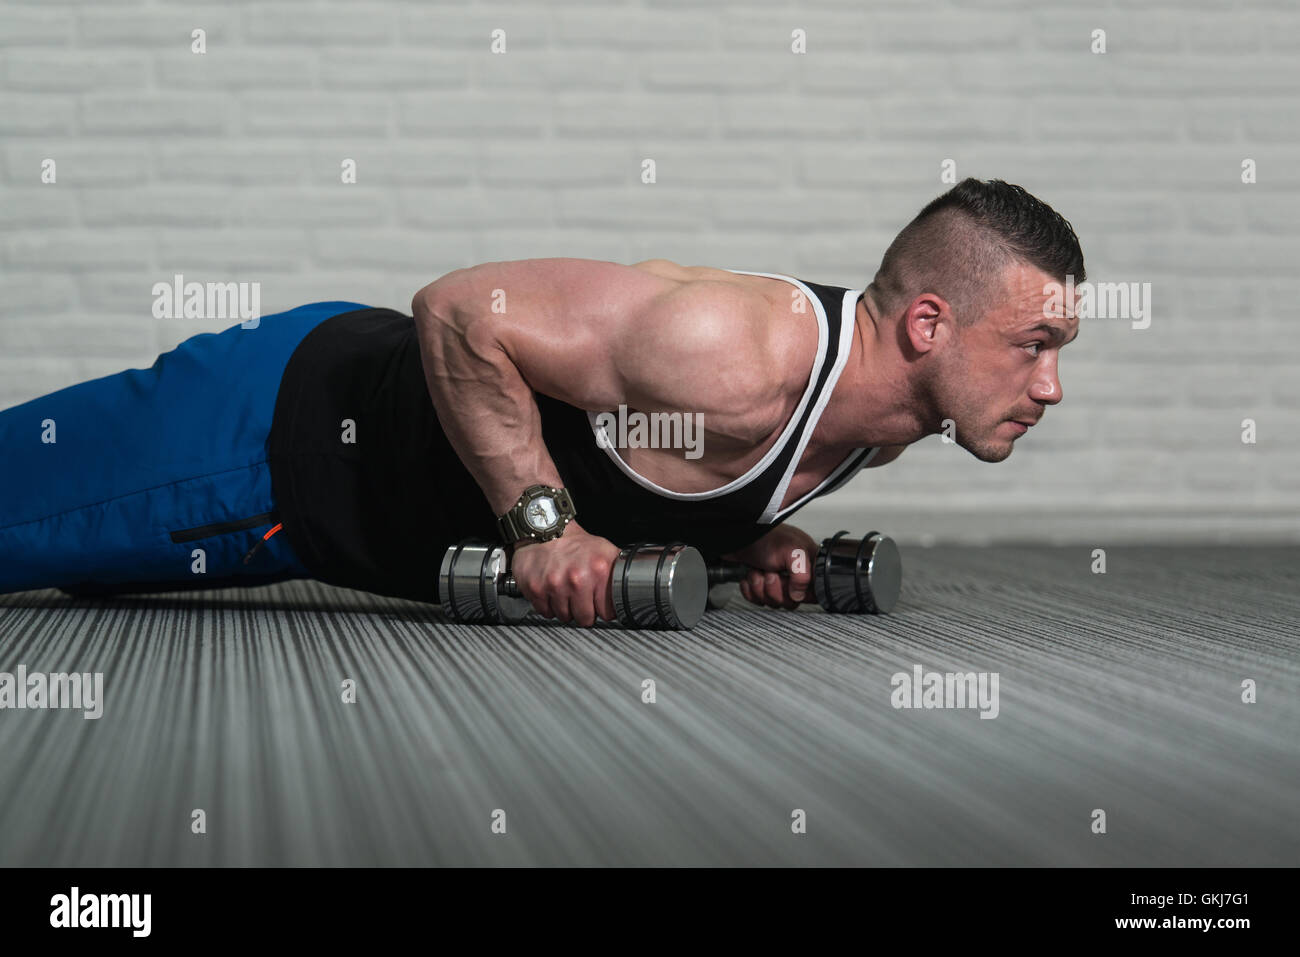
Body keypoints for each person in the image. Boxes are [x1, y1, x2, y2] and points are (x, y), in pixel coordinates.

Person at [0, 178, 1084, 626]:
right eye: (1033, 345)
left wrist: (739, 530)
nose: (1050, 385)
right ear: (929, 327)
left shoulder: (880, 429)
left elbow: (658, 456)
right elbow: (463, 309)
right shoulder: (733, 351)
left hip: (310, 513)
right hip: (266, 437)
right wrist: (542, 526)